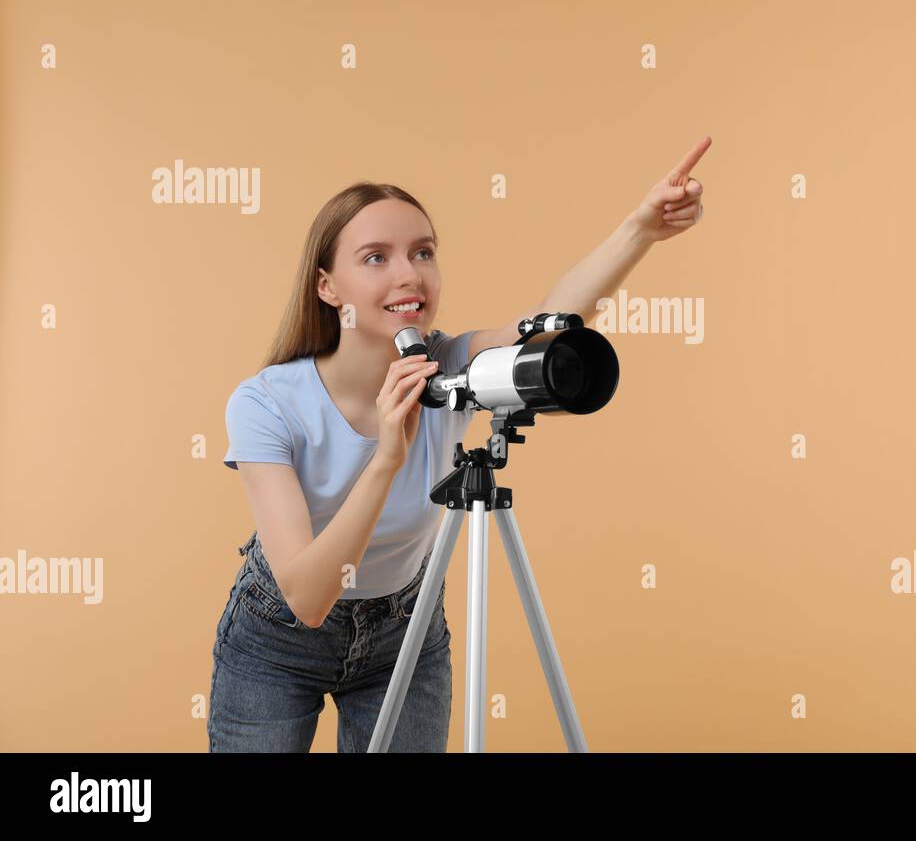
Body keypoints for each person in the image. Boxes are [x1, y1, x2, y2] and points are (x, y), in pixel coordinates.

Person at [209, 139, 710, 752]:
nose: (408, 274)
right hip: (279, 639)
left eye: (423, 252)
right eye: (375, 258)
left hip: (404, 631)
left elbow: (549, 324)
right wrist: (387, 458)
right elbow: (309, 599)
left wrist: (640, 230)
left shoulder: (450, 366)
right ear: (327, 286)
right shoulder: (265, 403)